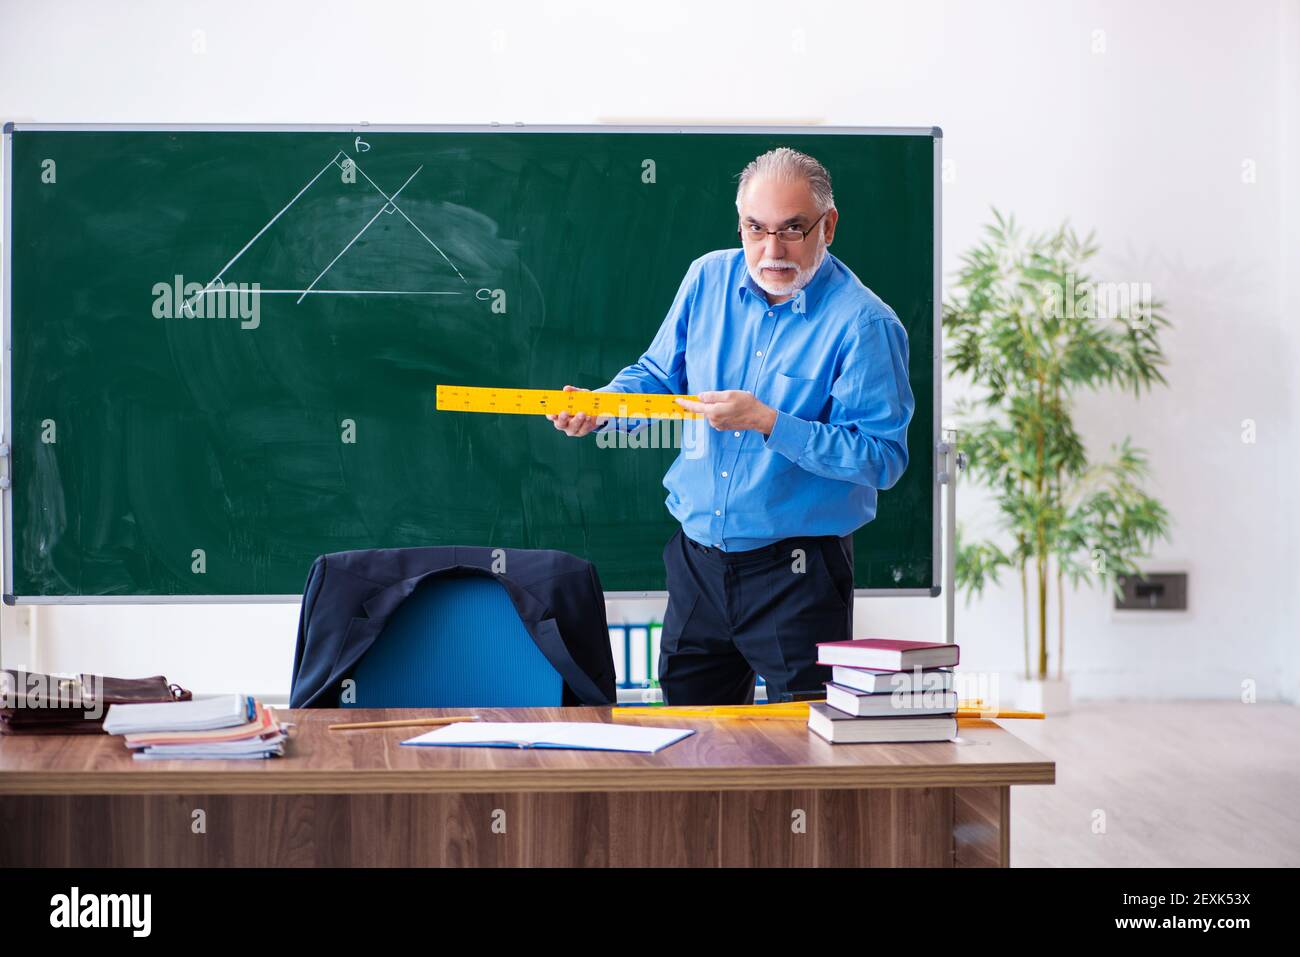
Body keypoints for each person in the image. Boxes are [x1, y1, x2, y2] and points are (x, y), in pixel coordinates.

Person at [548, 147, 915, 705]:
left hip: (797, 575)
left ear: (829, 226)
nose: (771, 251)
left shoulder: (865, 324)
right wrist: (604, 407)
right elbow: (656, 376)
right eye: (756, 228)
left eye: (793, 229)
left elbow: (881, 458)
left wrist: (769, 422)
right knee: (690, 744)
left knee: (805, 749)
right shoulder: (706, 278)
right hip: (697, 564)